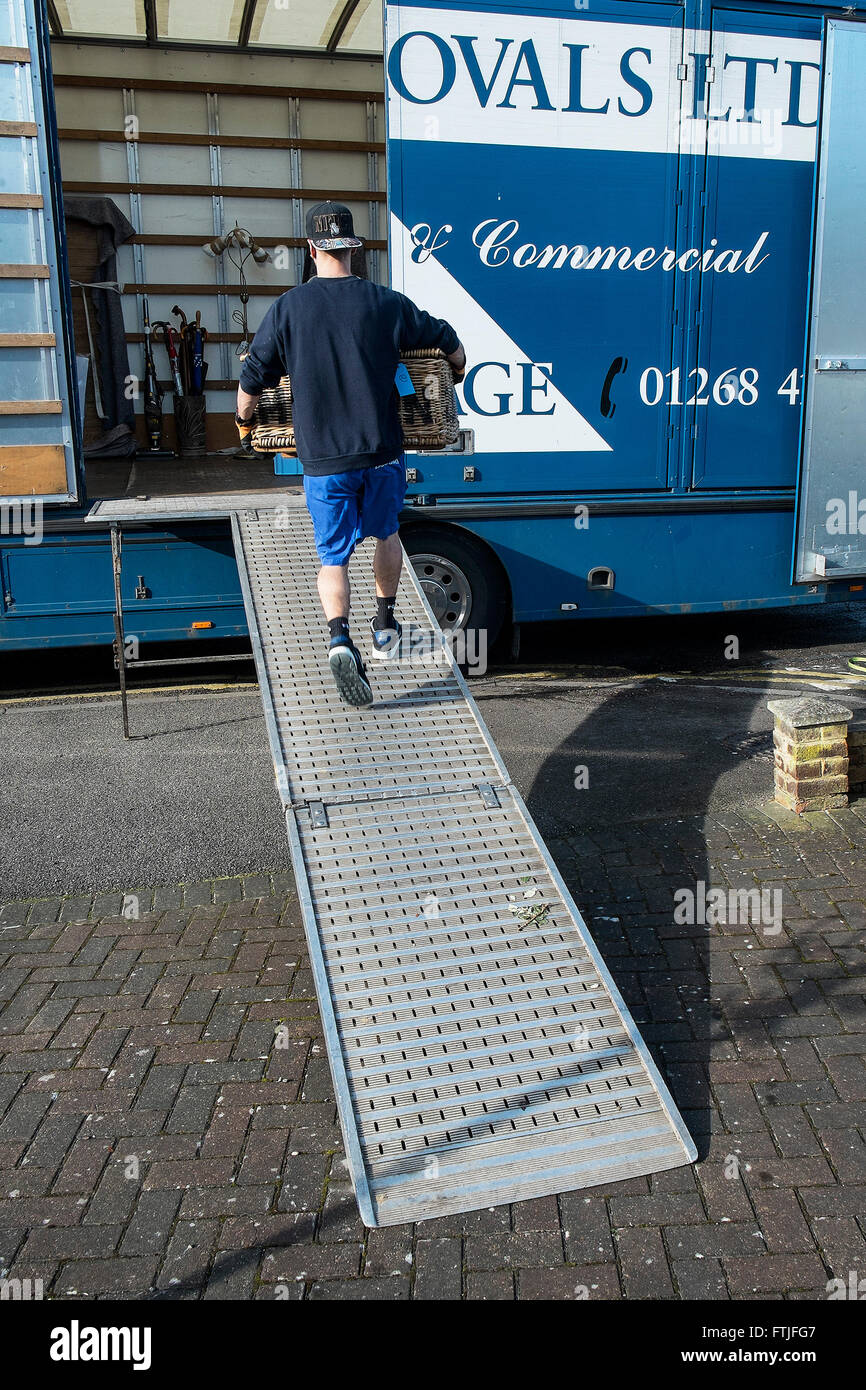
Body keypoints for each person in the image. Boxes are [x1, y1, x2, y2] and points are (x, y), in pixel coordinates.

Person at [235, 201, 466, 708]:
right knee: (387, 532)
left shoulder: (289, 308)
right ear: (353, 249)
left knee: (331, 556)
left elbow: (252, 380)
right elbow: (445, 337)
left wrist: (244, 422)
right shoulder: (386, 303)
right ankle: (384, 623)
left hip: (325, 461)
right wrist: (458, 369)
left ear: (312, 249)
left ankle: (340, 638)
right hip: (383, 453)